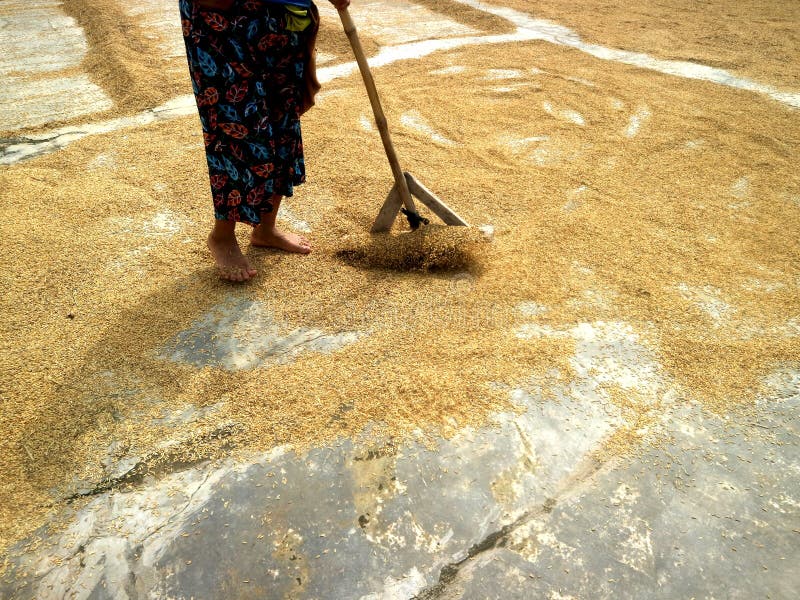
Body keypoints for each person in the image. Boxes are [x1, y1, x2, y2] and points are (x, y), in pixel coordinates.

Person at [180, 0, 351, 282]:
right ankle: (222, 236)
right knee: (236, 123)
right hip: (223, 14)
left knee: (281, 116)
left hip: (280, 13)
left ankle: (265, 229)